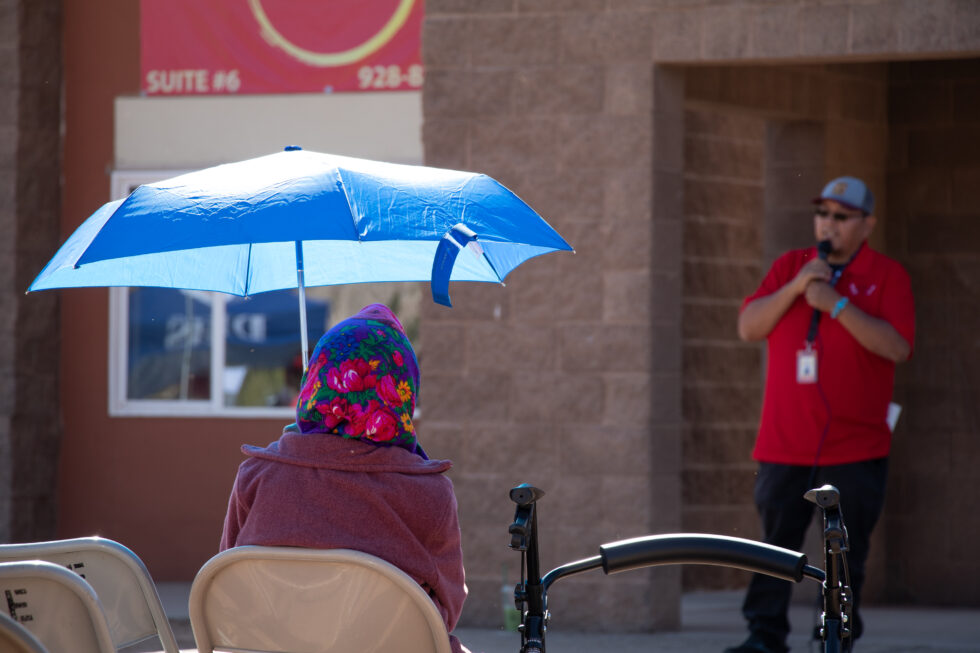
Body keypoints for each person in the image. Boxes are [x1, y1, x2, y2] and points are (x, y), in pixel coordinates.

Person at [728, 177, 915, 653]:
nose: (828, 223)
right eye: (823, 214)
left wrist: (837, 304)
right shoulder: (793, 267)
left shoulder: (887, 275)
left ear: (866, 224)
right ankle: (764, 636)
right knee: (773, 548)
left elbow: (896, 345)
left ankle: (835, 635)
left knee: (844, 553)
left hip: (855, 447)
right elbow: (749, 326)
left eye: (841, 216)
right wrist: (796, 288)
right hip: (783, 443)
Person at [220, 303, 469, 653]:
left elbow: (228, 585)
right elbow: (445, 612)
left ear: (316, 381)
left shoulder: (257, 476)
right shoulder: (430, 494)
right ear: (401, 391)